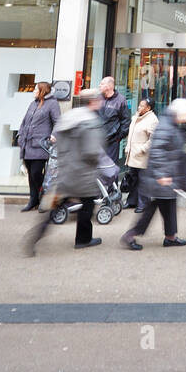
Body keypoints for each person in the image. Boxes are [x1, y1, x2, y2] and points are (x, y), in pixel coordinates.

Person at [24, 89, 106, 254]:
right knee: (88, 206)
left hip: (66, 173)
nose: (101, 102)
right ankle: (83, 239)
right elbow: (91, 151)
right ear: (92, 102)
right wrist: (96, 163)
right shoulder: (90, 122)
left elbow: (58, 144)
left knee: (54, 207)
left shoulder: (69, 117)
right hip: (83, 174)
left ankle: (35, 236)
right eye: (98, 99)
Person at [121, 98, 186, 250]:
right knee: (153, 208)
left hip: (167, 175)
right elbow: (157, 151)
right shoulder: (166, 126)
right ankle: (130, 235)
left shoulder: (173, 125)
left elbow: (177, 145)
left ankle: (170, 236)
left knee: (168, 204)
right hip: (160, 176)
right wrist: (161, 174)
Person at [17, 82, 59, 213]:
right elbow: (25, 121)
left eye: (36, 89)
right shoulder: (33, 103)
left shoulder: (52, 103)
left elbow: (58, 121)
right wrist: (19, 135)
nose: (34, 91)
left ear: (43, 90)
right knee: (30, 174)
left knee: (36, 173)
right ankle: (33, 200)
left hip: (40, 144)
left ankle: (47, 198)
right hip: (27, 144)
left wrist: (54, 135)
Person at [124, 97, 158, 212]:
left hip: (142, 155)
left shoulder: (152, 119)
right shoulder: (136, 117)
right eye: (139, 105)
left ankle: (143, 203)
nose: (139, 107)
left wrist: (142, 149)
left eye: (142, 106)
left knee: (143, 180)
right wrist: (128, 147)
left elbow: (153, 139)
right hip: (133, 154)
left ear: (148, 108)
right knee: (133, 178)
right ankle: (132, 201)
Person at [99, 76, 131, 167]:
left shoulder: (120, 100)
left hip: (111, 142)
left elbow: (126, 121)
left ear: (109, 86)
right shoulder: (98, 98)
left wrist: (118, 138)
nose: (99, 85)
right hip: (97, 140)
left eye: (102, 84)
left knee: (110, 168)